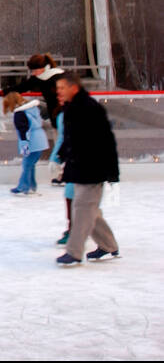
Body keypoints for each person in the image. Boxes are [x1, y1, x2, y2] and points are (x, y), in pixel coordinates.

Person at [54, 74, 121, 267]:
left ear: (73, 88)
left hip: (92, 168)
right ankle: (108, 245)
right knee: (87, 209)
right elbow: (71, 138)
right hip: (79, 167)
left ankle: (74, 252)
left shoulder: (89, 108)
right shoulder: (71, 108)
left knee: (83, 210)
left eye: (62, 88)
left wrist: (112, 172)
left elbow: (107, 140)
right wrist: (60, 155)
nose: (59, 92)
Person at [3, 92, 47, 195]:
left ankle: (24, 187)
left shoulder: (19, 113)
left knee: (27, 164)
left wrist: (24, 144)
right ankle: (31, 186)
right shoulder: (32, 109)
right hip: (40, 138)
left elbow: (23, 130)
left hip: (31, 140)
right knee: (30, 164)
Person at [8, 53, 66, 123]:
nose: (33, 73)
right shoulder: (39, 78)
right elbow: (22, 87)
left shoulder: (57, 77)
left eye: (35, 71)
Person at [49, 102, 75, 246]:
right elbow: (63, 139)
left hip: (82, 161)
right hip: (74, 159)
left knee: (76, 198)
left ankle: (74, 230)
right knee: (72, 196)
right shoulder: (63, 113)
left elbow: (63, 138)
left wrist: (56, 158)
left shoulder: (71, 113)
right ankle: (74, 228)